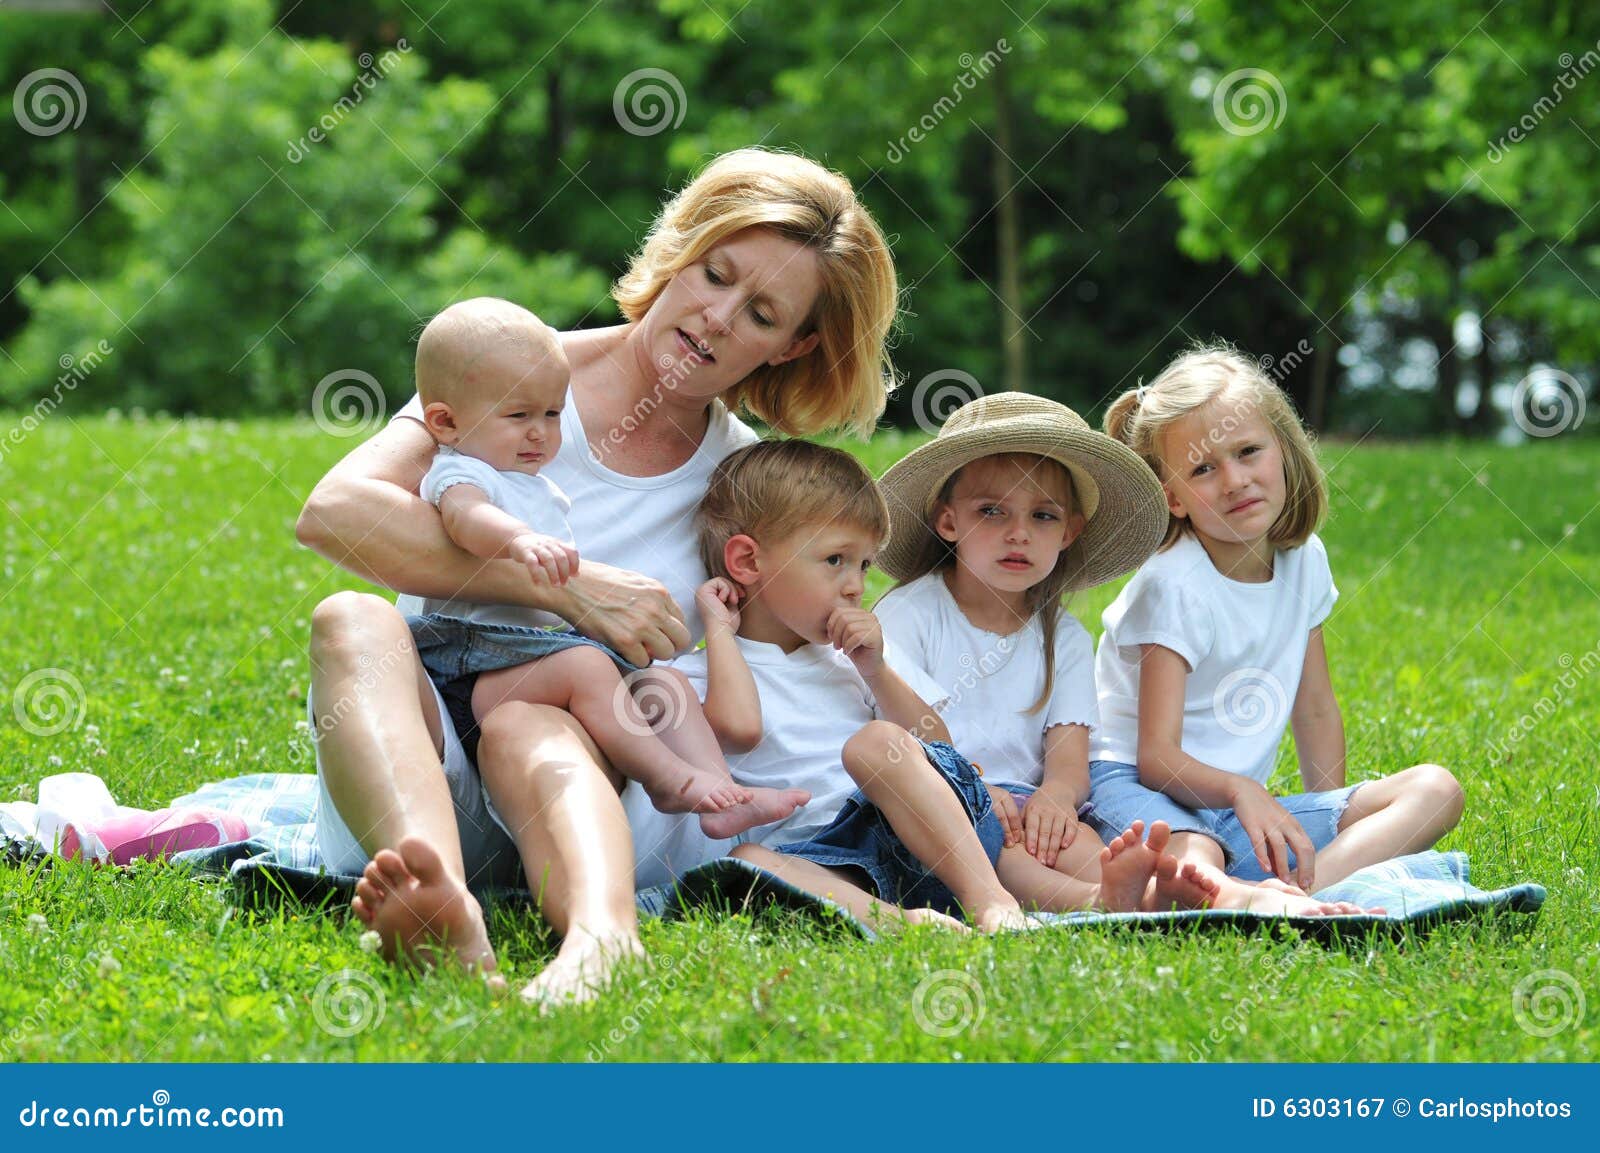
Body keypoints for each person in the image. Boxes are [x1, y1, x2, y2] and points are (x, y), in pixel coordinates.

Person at [293, 148, 898, 1006]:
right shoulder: (519, 370)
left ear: (793, 345)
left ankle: (601, 939)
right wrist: (568, 590)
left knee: (530, 718)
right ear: (678, 249)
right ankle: (436, 891)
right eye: (715, 274)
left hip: (588, 804)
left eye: (761, 313)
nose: (719, 318)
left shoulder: (749, 484)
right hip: (415, 771)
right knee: (350, 618)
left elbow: (803, 665)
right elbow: (336, 512)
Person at [672, 440, 1192, 931]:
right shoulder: (701, 675)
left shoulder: (851, 662)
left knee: (889, 750)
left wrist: (876, 669)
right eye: (835, 561)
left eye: (864, 564)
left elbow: (934, 743)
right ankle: (911, 923)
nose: (856, 585)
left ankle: (1032, 899)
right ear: (746, 562)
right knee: (748, 862)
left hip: (920, 828)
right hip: (831, 858)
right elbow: (738, 726)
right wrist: (719, 632)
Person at [402, 296, 805, 839]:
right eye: (519, 416)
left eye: (551, 415)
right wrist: (519, 541)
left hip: (533, 655)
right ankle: (669, 780)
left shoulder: (532, 481)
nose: (541, 433)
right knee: (589, 669)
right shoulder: (463, 471)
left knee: (666, 686)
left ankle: (719, 792)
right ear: (447, 422)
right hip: (469, 664)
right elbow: (466, 518)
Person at [1090, 343, 1464, 900]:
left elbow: (1314, 706)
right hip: (1138, 790)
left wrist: (1324, 816)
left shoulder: (1304, 559)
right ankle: (1238, 893)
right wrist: (1241, 790)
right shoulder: (1173, 586)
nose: (1235, 480)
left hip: (1238, 805)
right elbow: (1157, 758)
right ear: (1172, 498)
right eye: (1203, 469)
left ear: (1283, 450)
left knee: (1437, 788)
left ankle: (1305, 888)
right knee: (1200, 854)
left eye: (1247, 451)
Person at [873, 393, 1226, 912]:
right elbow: (902, 734)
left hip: (1023, 801)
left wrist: (1057, 796)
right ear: (948, 523)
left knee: (1078, 843)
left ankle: (1159, 891)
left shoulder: (1062, 636)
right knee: (1008, 851)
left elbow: (1068, 759)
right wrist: (971, 787)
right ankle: (1095, 903)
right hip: (929, 801)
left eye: (1042, 515)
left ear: (1069, 533)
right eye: (991, 511)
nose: (1018, 533)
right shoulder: (910, 614)